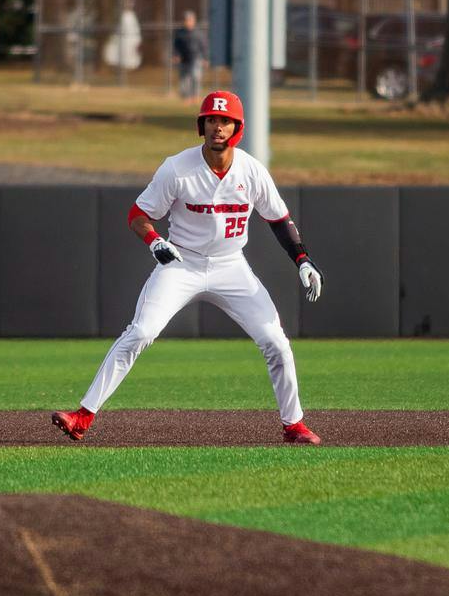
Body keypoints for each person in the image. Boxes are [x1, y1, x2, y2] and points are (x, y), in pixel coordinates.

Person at [51, 91, 323, 445]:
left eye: (225, 121)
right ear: (201, 125)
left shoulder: (252, 171)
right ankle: (82, 416)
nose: (217, 127)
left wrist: (302, 260)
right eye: (211, 119)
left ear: (237, 127)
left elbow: (279, 220)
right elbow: (138, 215)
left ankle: (294, 425)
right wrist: (155, 242)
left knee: (276, 341)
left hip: (231, 266)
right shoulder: (177, 167)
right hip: (182, 263)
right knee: (141, 333)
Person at [172, 10, 204, 99]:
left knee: (196, 77)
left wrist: (205, 58)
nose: (188, 22)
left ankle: (196, 95)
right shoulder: (180, 33)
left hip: (196, 58)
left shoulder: (198, 33)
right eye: (186, 20)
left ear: (194, 21)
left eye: (190, 20)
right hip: (183, 59)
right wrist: (176, 55)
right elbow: (176, 46)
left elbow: (203, 46)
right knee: (184, 79)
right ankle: (186, 97)